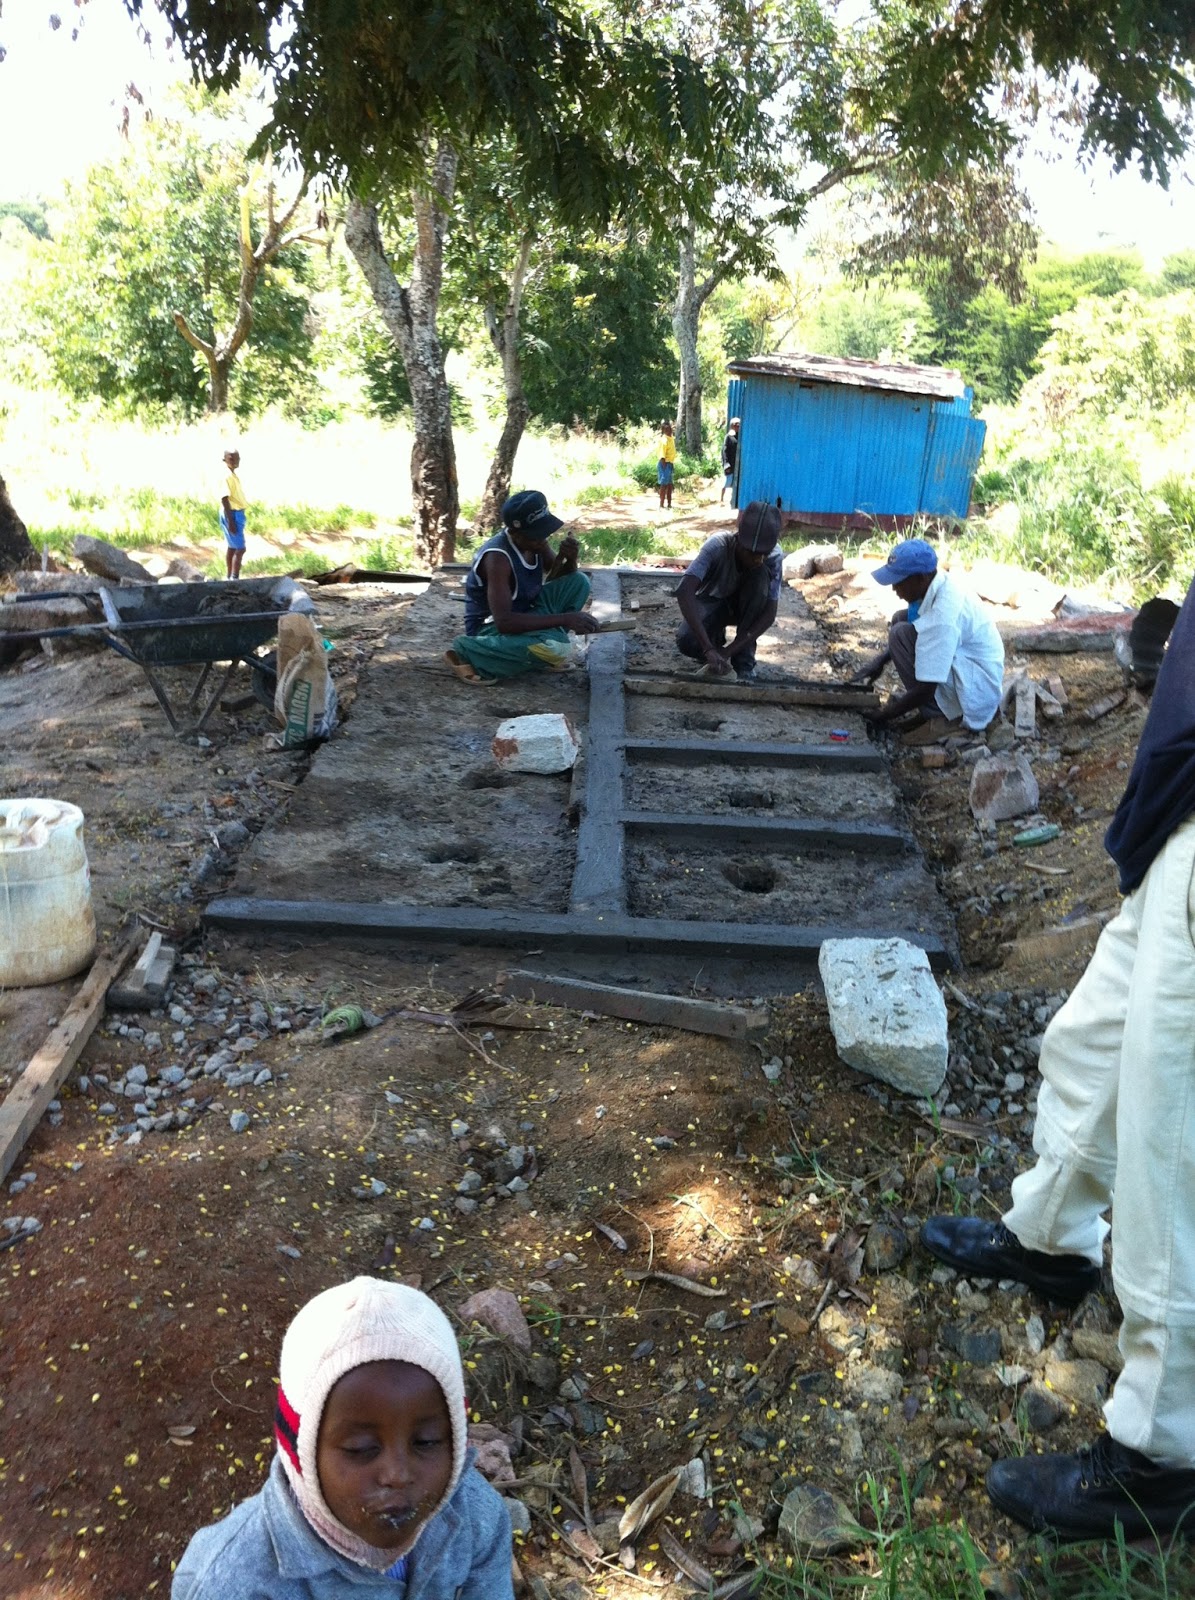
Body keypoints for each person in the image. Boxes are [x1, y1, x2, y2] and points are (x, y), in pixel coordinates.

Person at [920, 573, 1195, 1542]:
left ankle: (1160, 1457)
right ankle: (1049, 1240)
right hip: (1175, 821)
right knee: (1089, 1047)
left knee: (1174, 1155)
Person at [172, 1277, 514, 1598]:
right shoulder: (235, 1583)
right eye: (361, 1448)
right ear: (299, 1453)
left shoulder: (479, 1518)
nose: (398, 1474)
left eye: (425, 1441)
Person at [851, 537, 1003, 745]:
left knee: (899, 634)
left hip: (973, 698)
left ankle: (942, 716)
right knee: (900, 618)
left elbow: (925, 688)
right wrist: (881, 660)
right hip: (971, 670)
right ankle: (934, 710)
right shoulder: (939, 583)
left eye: (899, 583)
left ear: (920, 578)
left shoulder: (943, 617)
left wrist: (884, 715)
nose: (894, 589)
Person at [445, 489, 598, 684]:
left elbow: (560, 577)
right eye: (536, 535)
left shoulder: (534, 543)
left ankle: (542, 644)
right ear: (515, 532)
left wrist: (571, 558)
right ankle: (471, 651)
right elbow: (504, 622)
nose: (542, 540)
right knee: (557, 648)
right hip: (491, 630)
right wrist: (566, 618)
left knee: (579, 581)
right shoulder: (498, 559)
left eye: (543, 532)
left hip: (527, 612)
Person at [675, 501, 783, 685]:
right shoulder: (717, 546)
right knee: (687, 640)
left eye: (763, 554)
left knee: (760, 576)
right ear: (738, 539)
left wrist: (729, 651)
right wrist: (709, 649)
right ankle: (713, 650)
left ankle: (743, 662)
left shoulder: (773, 558)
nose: (759, 559)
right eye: (752, 553)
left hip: (748, 609)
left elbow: (769, 615)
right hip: (715, 603)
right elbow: (684, 591)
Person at [219, 447, 247, 579]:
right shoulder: (226, 476)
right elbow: (224, 498)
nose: (235, 461)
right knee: (240, 549)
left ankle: (229, 577)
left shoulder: (232, 474)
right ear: (224, 459)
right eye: (231, 458)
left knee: (232, 547)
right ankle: (234, 578)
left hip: (236, 514)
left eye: (237, 458)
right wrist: (230, 521)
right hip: (232, 514)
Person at [720, 417, 740, 504]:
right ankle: (721, 499)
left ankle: (732, 499)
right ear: (732, 425)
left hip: (736, 464)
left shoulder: (739, 436)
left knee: (735, 483)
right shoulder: (728, 437)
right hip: (730, 464)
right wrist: (726, 464)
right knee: (727, 482)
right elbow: (724, 451)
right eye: (737, 425)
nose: (738, 427)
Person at [657, 420, 677, 510]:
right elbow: (662, 456)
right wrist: (665, 467)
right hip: (664, 464)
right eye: (667, 430)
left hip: (670, 464)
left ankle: (669, 504)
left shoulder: (671, 438)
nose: (669, 431)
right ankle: (661, 505)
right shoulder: (664, 440)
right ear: (664, 431)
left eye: (670, 429)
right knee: (663, 485)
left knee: (669, 485)